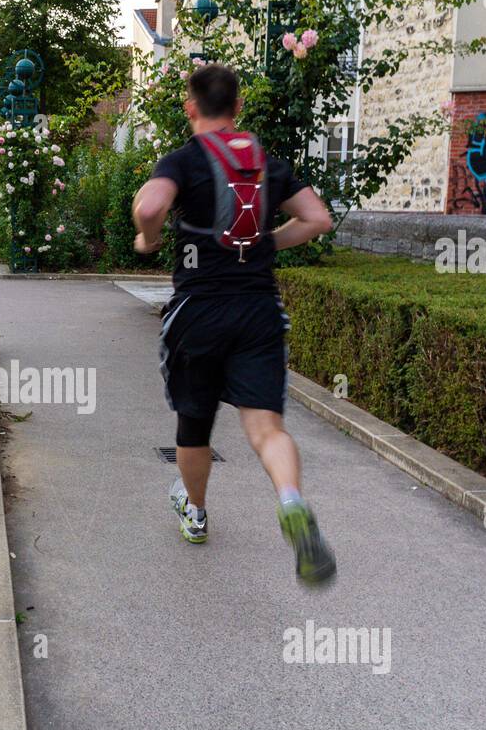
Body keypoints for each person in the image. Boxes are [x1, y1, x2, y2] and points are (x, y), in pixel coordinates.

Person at [131, 63, 337, 585]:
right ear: (238, 108)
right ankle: (290, 499)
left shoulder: (184, 159)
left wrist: (148, 238)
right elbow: (317, 219)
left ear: (190, 107)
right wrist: (267, 241)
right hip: (258, 310)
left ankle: (195, 512)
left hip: (198, 312)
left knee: (194, 421)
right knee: (267, 427)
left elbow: (151, 204)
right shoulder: (265, 161)